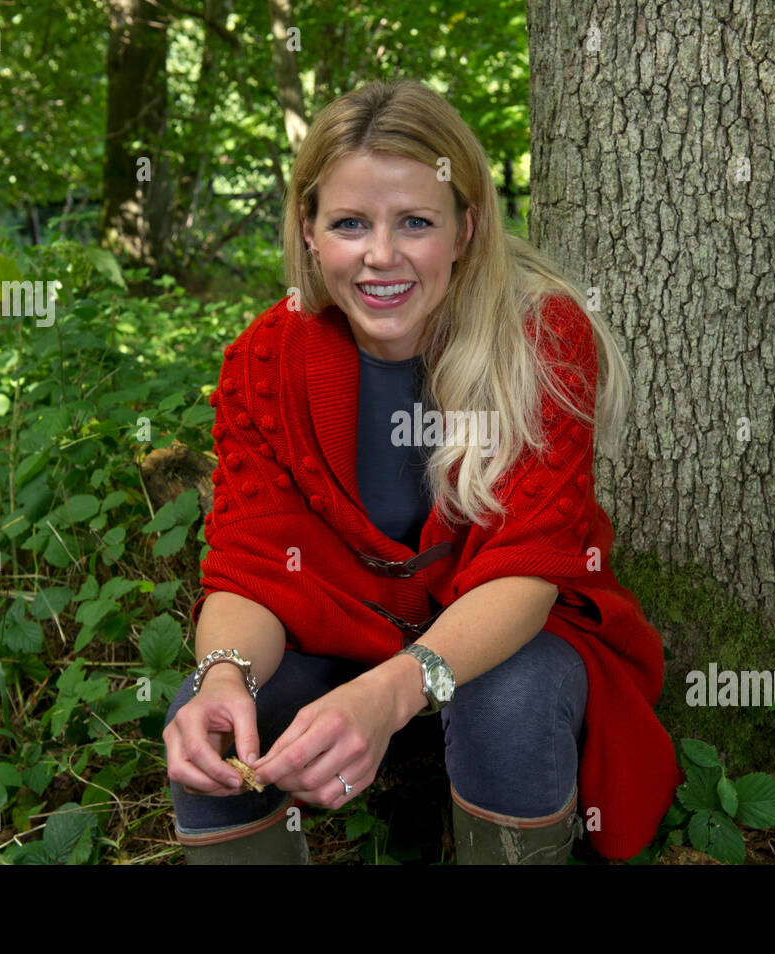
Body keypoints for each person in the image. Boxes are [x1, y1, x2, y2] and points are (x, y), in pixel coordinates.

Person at [162, 78, 679, 864]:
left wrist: (391, 692)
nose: (381, 255)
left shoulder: (539, 340)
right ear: (308, 230)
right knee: (211, 715)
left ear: (466, 226)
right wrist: (223, 675)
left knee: (508, 695)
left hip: (511, 638)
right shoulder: (266, 359)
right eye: (348, 223)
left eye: (415, 222)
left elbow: (528, 570)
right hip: (345, 632)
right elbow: (251, 565)